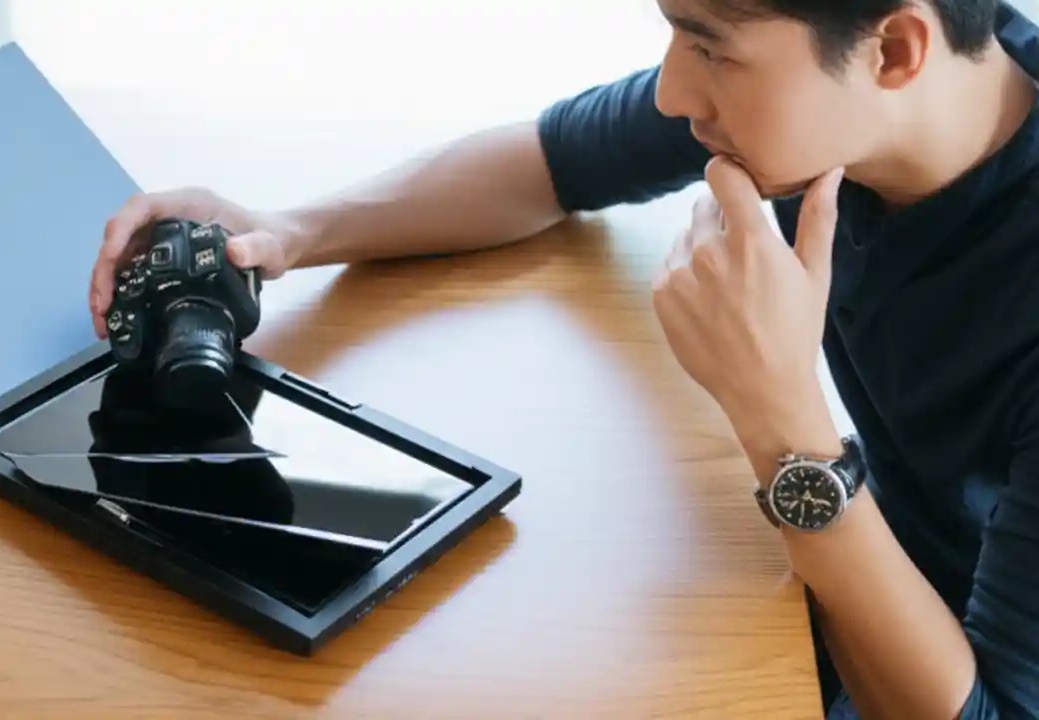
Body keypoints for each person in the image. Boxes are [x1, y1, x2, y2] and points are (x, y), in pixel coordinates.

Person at [90, 1, 1039, 717]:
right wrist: (296, 230)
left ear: (897, 50)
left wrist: (780, 421)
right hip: (872, 581)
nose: (673, 91)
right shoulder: (839, 96)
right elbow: (551, 161)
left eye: (709, 46)